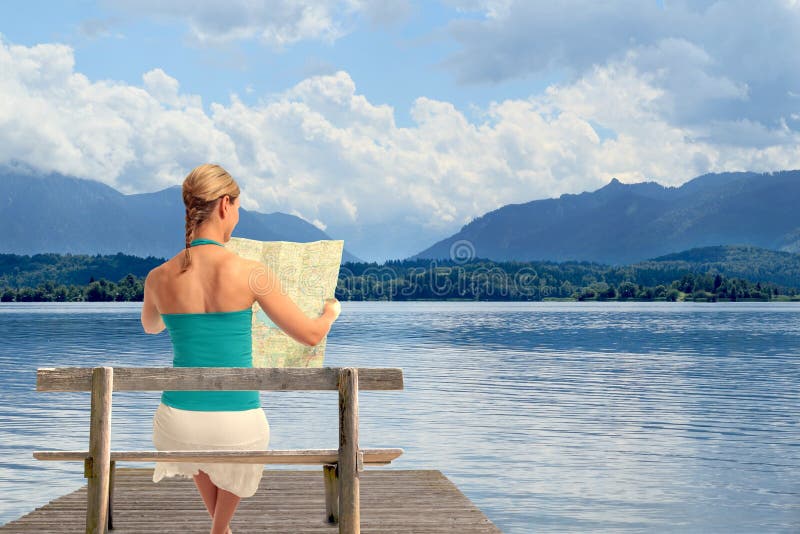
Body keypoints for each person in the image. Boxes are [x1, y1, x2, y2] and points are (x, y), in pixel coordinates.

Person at [140, 163, 341, 534]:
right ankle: (220, 531)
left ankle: (221, 530)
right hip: (238, 425)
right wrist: (330, 313)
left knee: (198, 439)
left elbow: (151, 327)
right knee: (236, 434)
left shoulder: (158, 276)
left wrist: (180, 308)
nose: (237, 216)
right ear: (224, 205)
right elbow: (310, 335)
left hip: (177, 424)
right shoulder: (252, 273)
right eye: (237, 207)